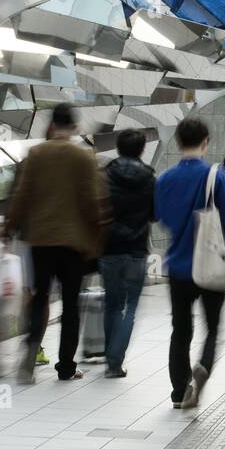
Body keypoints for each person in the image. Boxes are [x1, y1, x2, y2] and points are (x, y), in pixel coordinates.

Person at [4, 103, 111, 384]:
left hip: (40, 240)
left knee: (39, 300)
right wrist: (96, 237)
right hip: (73, 245)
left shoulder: (36, 154)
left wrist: (8, 228)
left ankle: (28, 358)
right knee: (71, 306)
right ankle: (65, 367)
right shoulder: (84, 157)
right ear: (75, 127)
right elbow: (91, 201)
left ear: (52, 125)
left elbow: (22, 195)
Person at [156, 116, 225, 409]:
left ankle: (179, 392)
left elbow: (162, 218)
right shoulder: (215, 177)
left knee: (180, 330)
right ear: (206, 142)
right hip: (211, 266)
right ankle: (203, 365)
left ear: (178, 142)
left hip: (179, 267)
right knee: (213, 326)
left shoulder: (165, 179)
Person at [99, 129, 155, 379]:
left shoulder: (105, 175)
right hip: (137, 249)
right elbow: (155, 214)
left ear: (118, 148)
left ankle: (109, 356)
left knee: (112, 304)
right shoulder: (151, 179)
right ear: (142, 149)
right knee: (131, 307)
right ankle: (115, 361)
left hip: (109, 247)